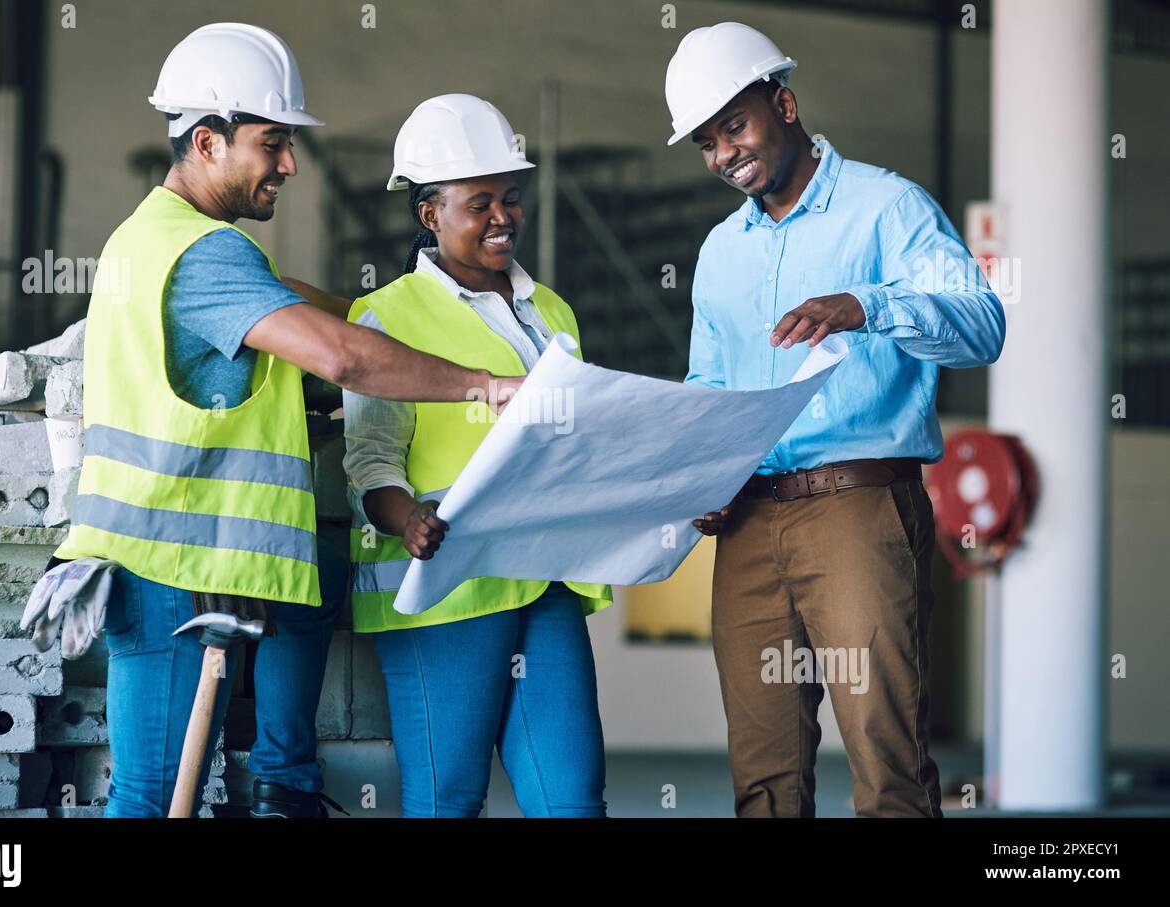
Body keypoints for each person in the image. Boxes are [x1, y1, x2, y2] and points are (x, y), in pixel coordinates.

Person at [50, 26, 523, 818]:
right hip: (174, 569)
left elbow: (300, 307)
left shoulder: (147, 241)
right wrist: (482, 381)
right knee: (148, 798)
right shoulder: (204, 254)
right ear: (208, 141)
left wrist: (407, 314)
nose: (290, 165)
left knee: (157, 787)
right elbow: (342, 357)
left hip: (155, 558)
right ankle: (286, 777)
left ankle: (286, 775)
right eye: (273, 144)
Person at [669, 23, 1006, 817]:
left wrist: (867, 304)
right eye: (707, 142)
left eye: (736, 126)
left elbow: (982, 324)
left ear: (783, 104)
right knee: (764, 778)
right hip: (746, 521)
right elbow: (709, 384)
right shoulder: (720, 252)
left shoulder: (887, 208)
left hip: (858, 509)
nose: (725, 154)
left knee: (886, 763)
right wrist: (703, 472)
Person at [342, 94, 613, 818]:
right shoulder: (387, 316)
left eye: (511, 198)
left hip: (544, 578)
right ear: (430, 214)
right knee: (447, 802)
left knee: (573, 801)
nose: (503, 217)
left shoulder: (552, 312)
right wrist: (406, 519)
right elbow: (369, 461)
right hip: (445, 588)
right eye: (480, 202)